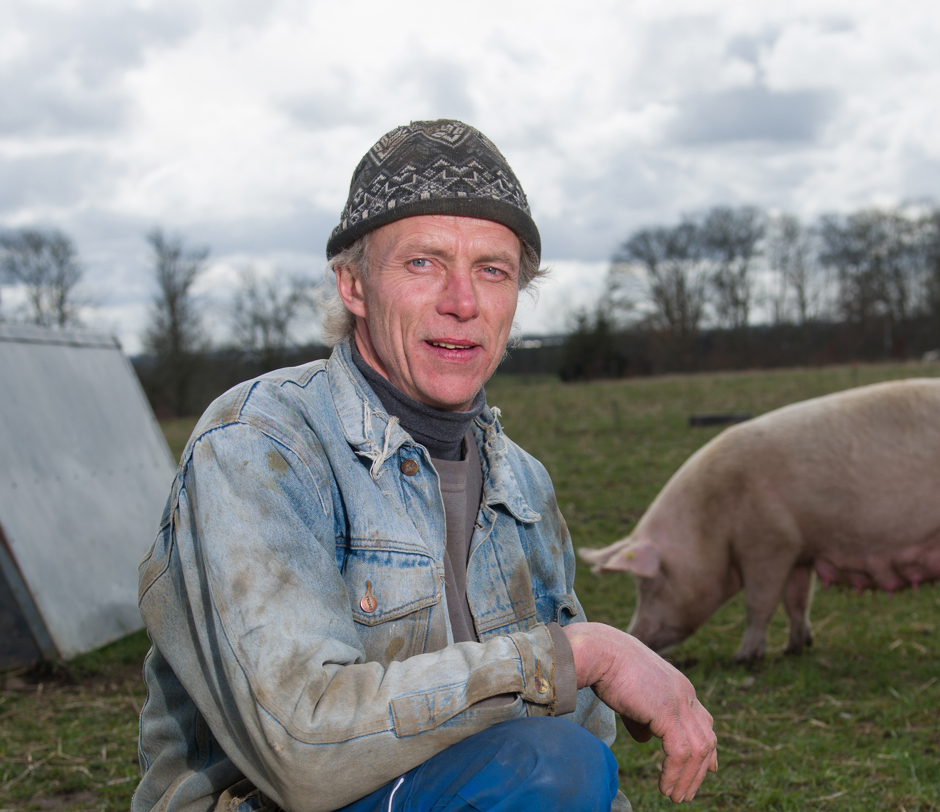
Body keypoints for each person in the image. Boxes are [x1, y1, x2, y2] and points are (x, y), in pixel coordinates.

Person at [134, 119, 717, 812]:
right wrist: (577, 653)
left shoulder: (522, 483)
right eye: (424, 262)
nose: (463, 303)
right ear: (353, 285)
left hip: (473, 787)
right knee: (546, 765)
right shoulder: (258, 447)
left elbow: (589, 756)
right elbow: (301, 749)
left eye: (492, 270)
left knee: (569, 765)